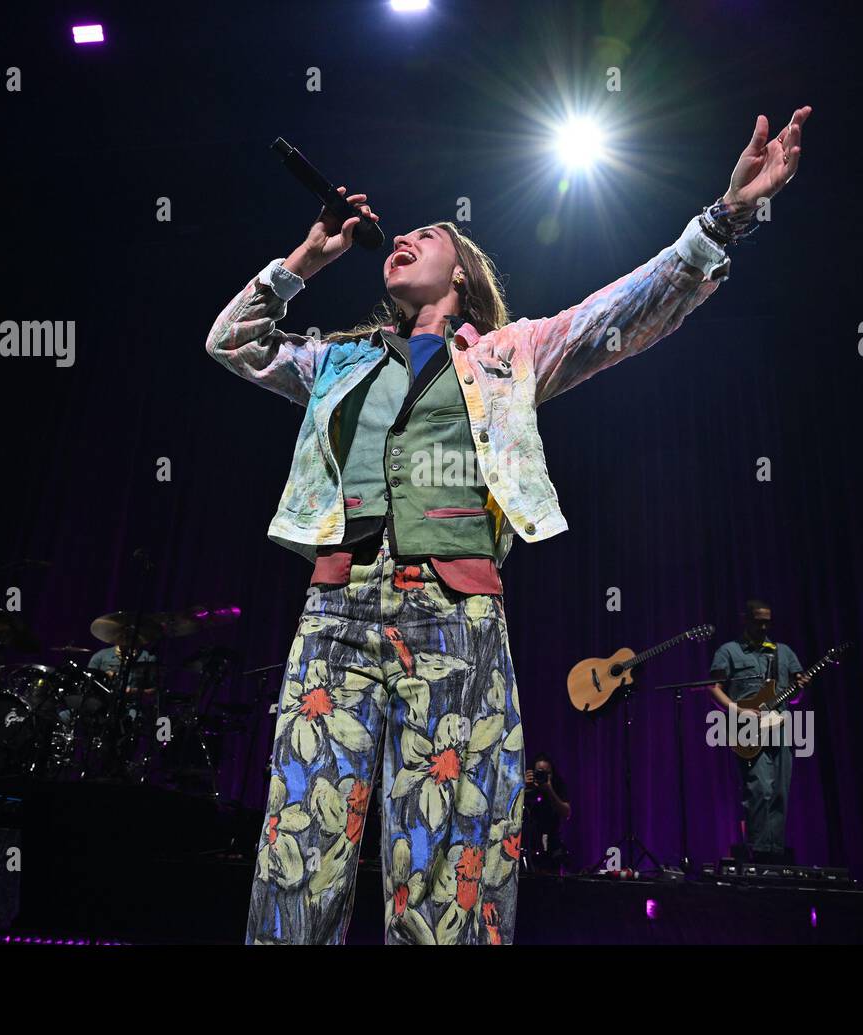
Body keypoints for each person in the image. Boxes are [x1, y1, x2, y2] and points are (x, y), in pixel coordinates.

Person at [206, 108, 811, 944]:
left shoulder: (508, 354)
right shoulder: (339, 361)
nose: (403, 238)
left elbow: (625, 312)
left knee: (447, 865)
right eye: (400, 235)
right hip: (337, 615)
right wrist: (305, 261)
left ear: (462, 278)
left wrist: (728, 214)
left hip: (455, 619)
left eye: (427, 233)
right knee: (299, 855)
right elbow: (231, 342)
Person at [708, 599, 807, 862]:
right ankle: (757, 852)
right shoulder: (729, 651)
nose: (764, 627)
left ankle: (775, 853)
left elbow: (795, 697)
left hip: (781, 727)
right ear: (746, 620)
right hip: (747, 728)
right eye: (758, 621)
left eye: (767, 622)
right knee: (758, 789)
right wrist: (738, 711)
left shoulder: (784, 652)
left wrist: (800, 686)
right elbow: (713, 688)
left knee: (780, 792)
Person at [522, 753, 572, 874]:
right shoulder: (524, 788)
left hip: (552, 848)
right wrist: (520, 786)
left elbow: (566, 813)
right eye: (539, 772)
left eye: (547, 773)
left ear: (552, 774)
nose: (542, 776)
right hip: (529, 848)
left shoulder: (556, 787)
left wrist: (549, 790)